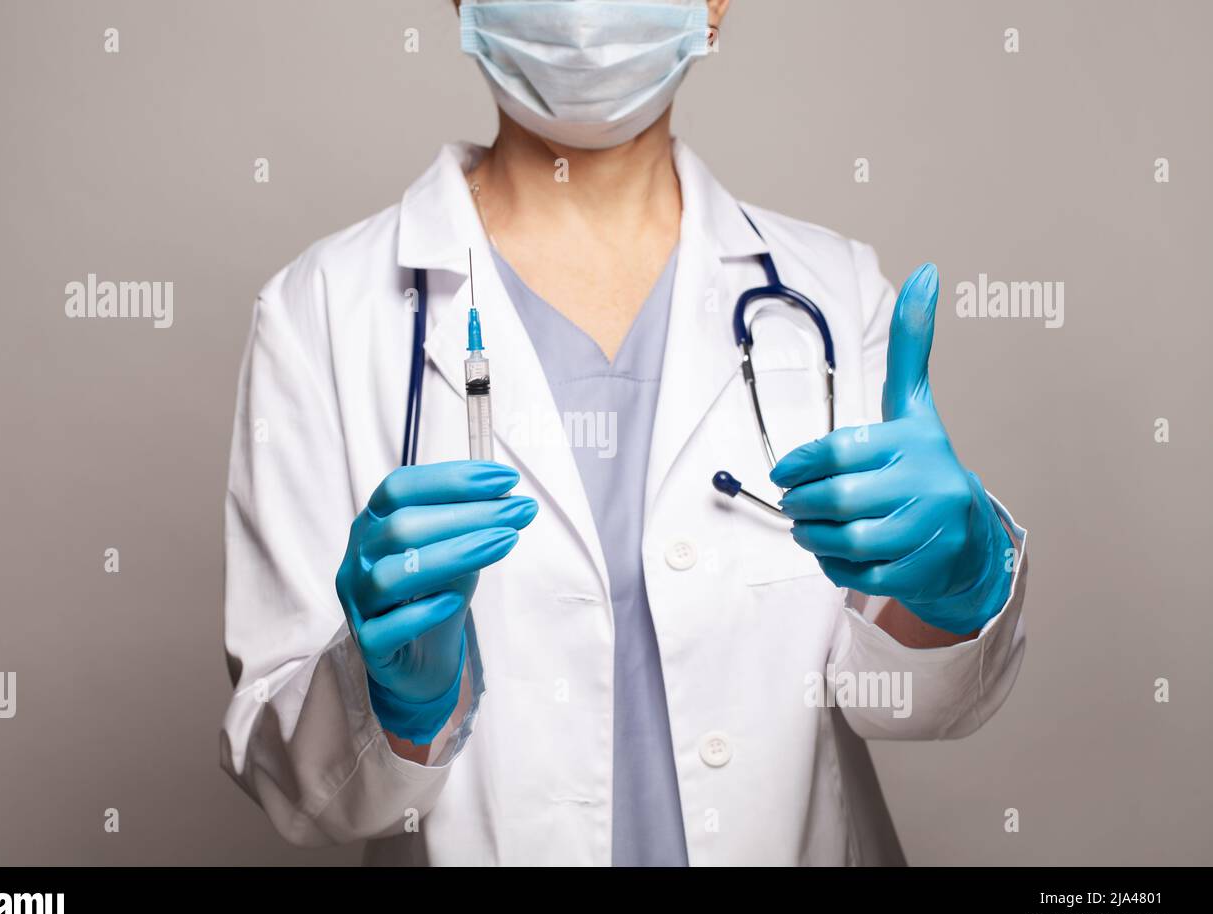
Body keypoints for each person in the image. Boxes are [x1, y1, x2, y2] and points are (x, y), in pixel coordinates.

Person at [220, 0, 1027, 865]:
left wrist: (959, 588)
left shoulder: (831, 293)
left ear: (714, 4)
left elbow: (901, 704)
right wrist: (381, 695)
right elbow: (297, 789)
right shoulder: (320, 314)